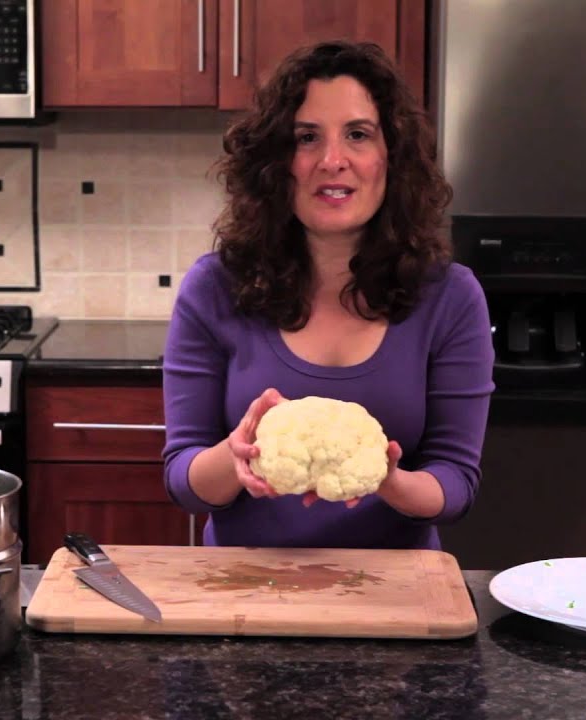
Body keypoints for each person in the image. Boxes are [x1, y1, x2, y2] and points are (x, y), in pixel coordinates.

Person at [161, 40, 495, 550]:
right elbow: (183, 479)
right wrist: (235, 455)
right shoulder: (214, 289)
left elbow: (456, 482)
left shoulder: (449, 297)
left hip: (395, 595)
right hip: (244, 590)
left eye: (358, 135)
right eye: (306, 138)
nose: (332, 160)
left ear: (392, 156)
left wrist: (389, 480)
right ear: (277, 161)